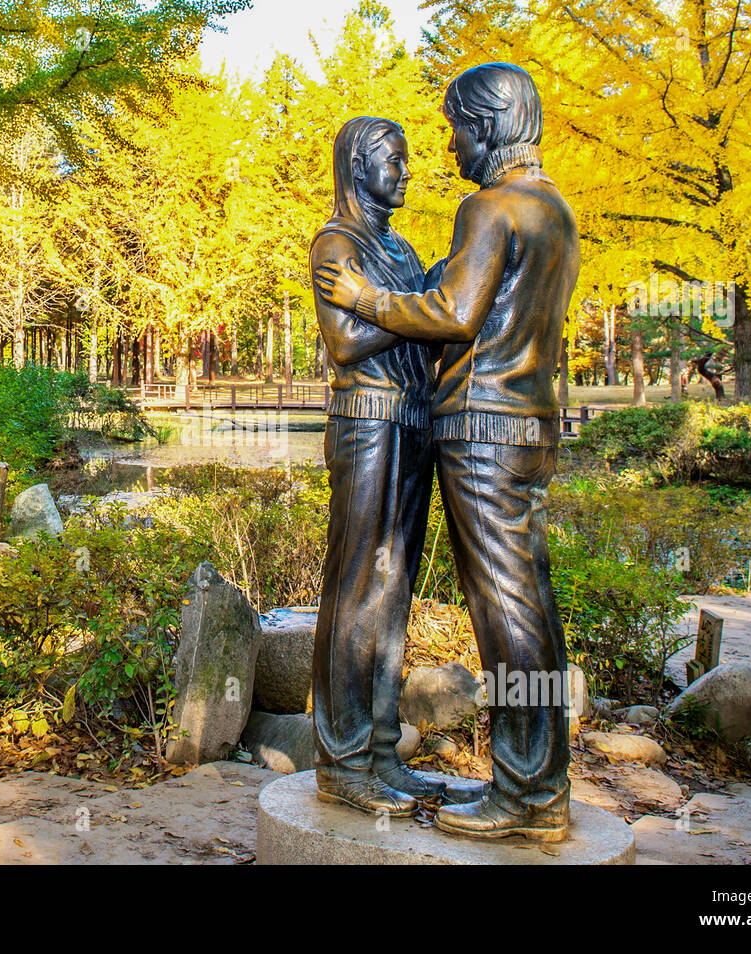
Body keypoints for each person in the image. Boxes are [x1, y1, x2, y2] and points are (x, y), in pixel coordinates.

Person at [316, 64, 581, 841]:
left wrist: (367, 300)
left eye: (459, 128)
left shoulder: (490, 208)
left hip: (483, 425)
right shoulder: (553, 207)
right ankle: (531, 781)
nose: (451, 147)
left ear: (490, 123)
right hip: (519, 423)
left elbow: (457, 311)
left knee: (506, 612)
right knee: (522, 604)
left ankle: (528, 790)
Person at [309, 116, 486, 816]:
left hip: (412, 423)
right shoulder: (338, 241)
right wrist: (424, 309)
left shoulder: (401, 248)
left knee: (393, 590)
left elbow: (431, 327)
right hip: (369, 425)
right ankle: (343, 761)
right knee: (358, 589)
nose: (408, 171)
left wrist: (426, 298)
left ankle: (382, 750)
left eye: (409, 158)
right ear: (358, 164)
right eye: (394, 160)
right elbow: (346, 343)